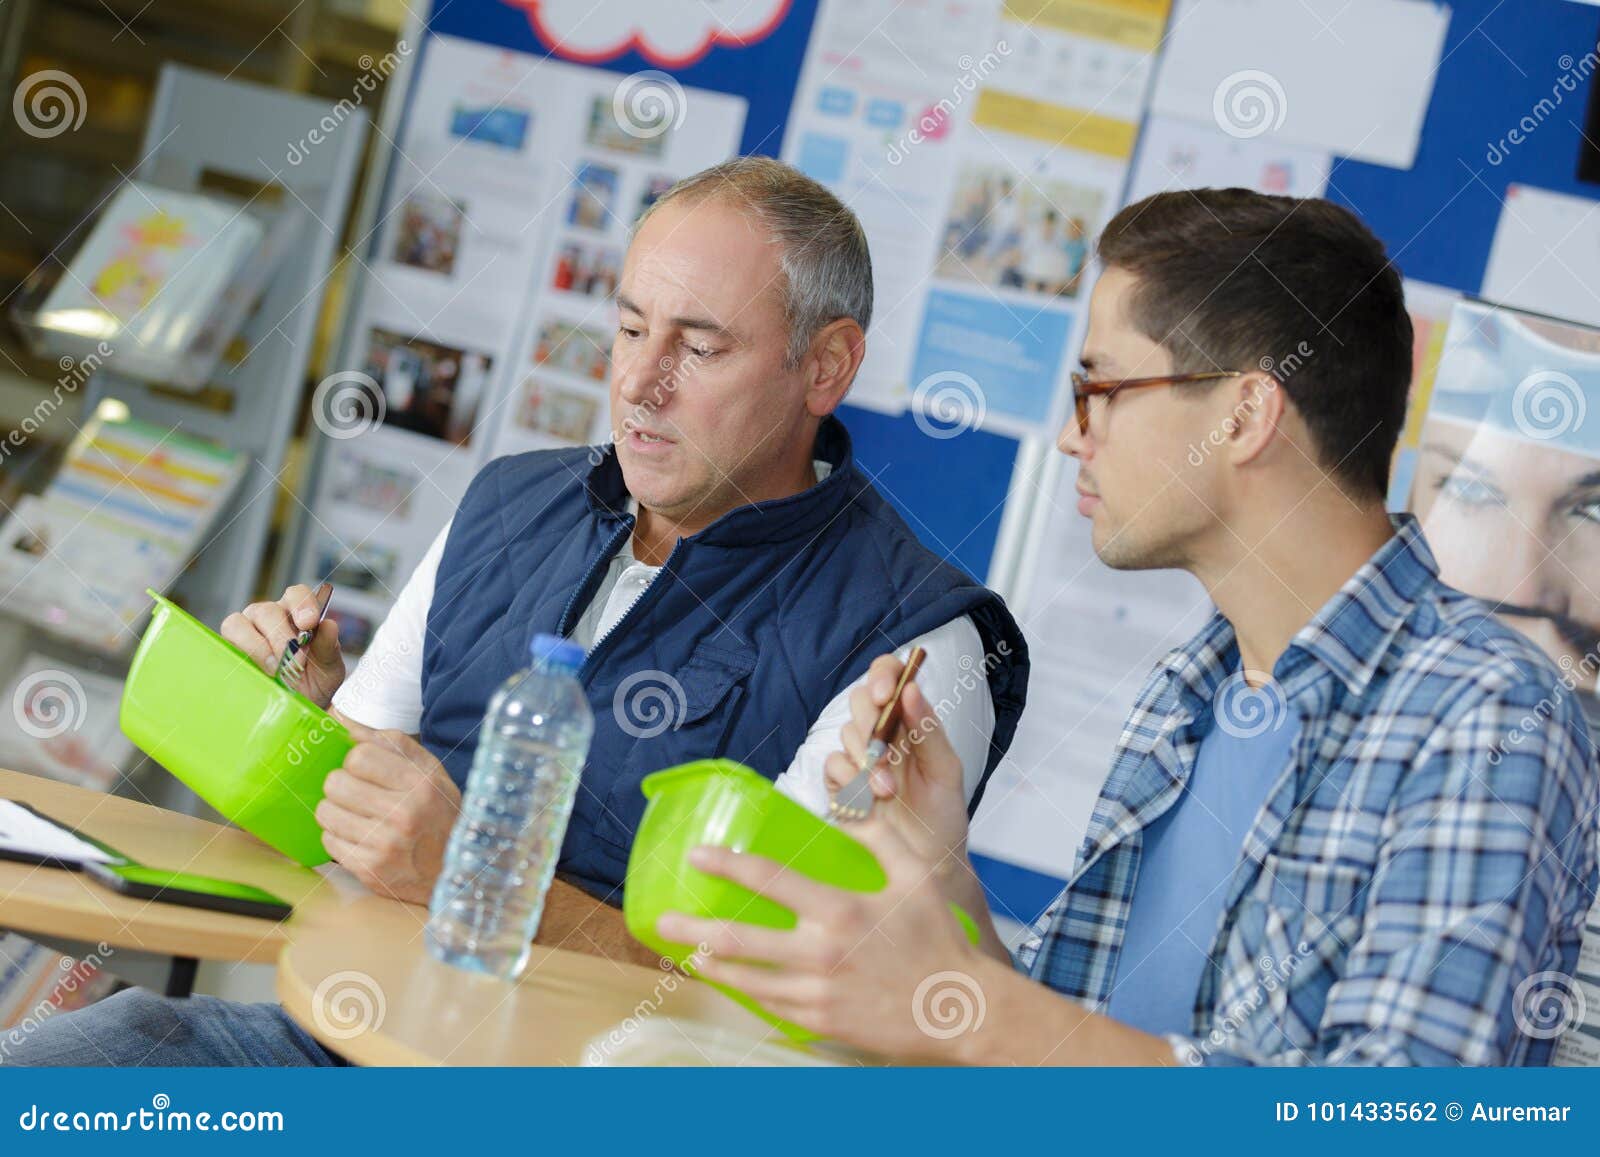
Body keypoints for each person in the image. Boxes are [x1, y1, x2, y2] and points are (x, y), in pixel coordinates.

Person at [4, 156, 1027, 1067]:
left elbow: (770, 1028)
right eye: (628, 327)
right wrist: (291, 724)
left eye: (699, 348)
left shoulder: (918, 642)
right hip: (341, 1049)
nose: (639, 382)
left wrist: (478, 871)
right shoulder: (511, 499)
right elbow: (331, 833)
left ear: (826, 366)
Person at [660, 188, 1600, 1066]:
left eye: (1100, 389)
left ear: (1243, 414)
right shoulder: (1195, 687)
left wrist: (972, 1007)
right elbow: (1091, 1063)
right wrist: (948, 883)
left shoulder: (1488, 716)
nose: (1074, 435)